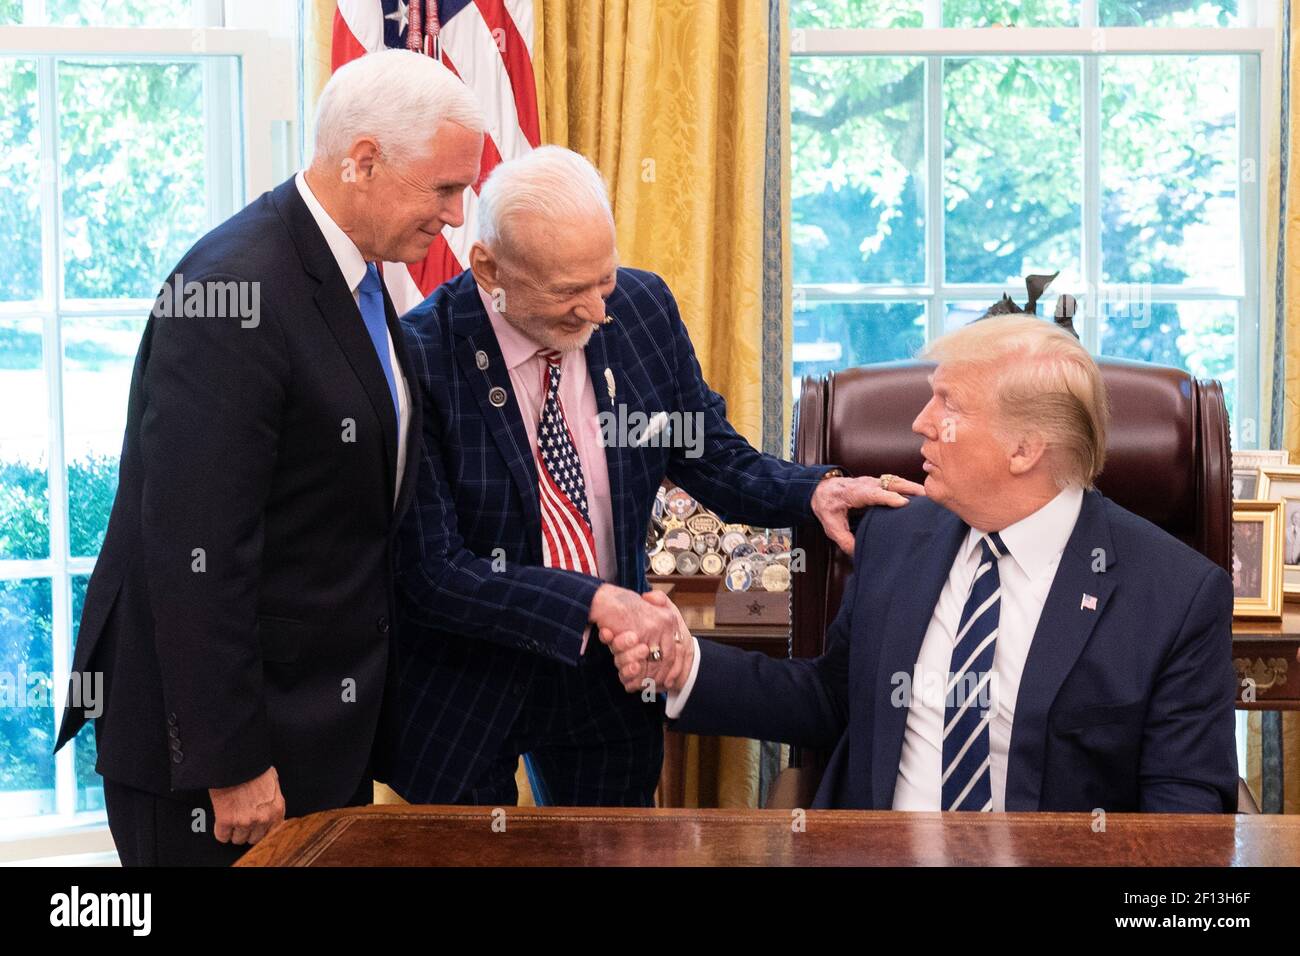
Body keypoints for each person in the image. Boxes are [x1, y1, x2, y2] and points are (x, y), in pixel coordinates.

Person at [53, 49, 485, 864]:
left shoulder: (353, 275)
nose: (458, 218)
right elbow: (194, 553)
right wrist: (233, 762)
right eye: (444, 189)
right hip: (219, 766)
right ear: (361, 160)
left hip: (317, 729)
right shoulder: (234, 290)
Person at [390, 145, 922, 806]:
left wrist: (813, 489)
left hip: (611, 674)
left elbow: (705, 451)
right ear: (489, 267)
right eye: (567, 293)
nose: (596, 312)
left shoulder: (641, 308)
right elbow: (434, 571)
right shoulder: (418, 355)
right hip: (471, 681)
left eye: (602, 280)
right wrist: (588, 601)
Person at [609, 314, 1239, 812]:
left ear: (1025, 448)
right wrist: (685, 663)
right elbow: (832, 699)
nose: (920, 423)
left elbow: (1182, 810)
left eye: (949, 405)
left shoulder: (1174, 595)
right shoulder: (897, 536)